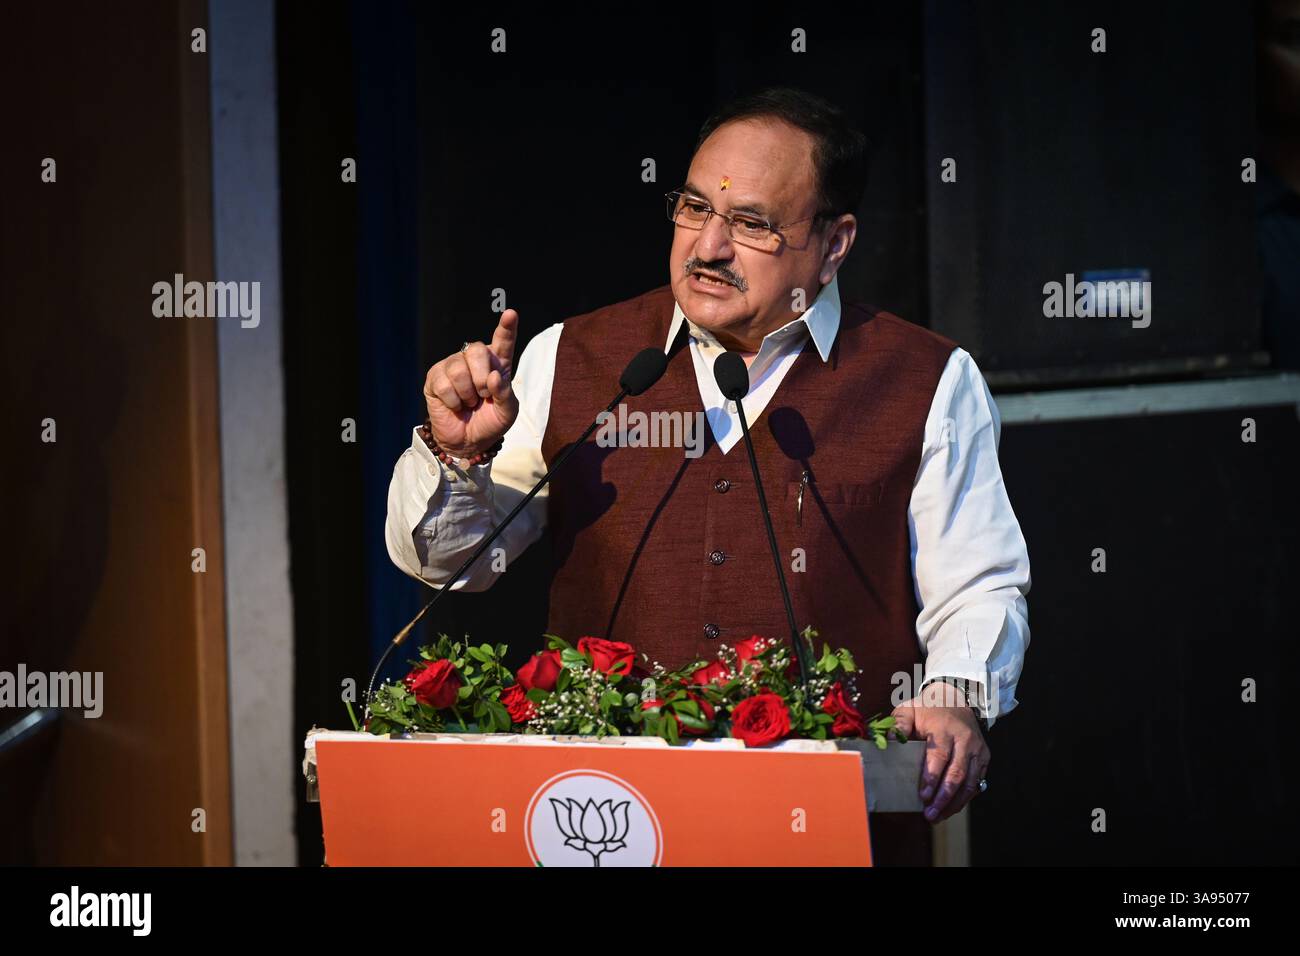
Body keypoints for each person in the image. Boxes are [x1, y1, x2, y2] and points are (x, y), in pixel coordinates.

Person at [385, 88, 1031, 853]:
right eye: (693, 208)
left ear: (835, 244)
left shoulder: (925, 378)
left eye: (752, 223)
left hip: (824, 833)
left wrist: (957, 698)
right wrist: (459, 455)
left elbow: (978, 586)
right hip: (606, 828)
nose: (707, 247)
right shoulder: (576, 357)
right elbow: (453, 566)